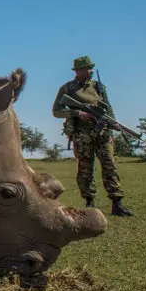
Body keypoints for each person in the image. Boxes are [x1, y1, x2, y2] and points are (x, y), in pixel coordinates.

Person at [52, 55, 133, 217]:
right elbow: (56, 111)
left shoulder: (99, 87)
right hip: (83, 136)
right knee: (85, 169)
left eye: (90, 68)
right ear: (78, 71)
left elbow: (108, 109)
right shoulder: (67, 89)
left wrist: (113, 123)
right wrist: (77, 112)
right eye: (86, 68)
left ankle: (117, 204)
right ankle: (89, 203)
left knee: (110, 166)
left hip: (102, 133)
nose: (90, 71)